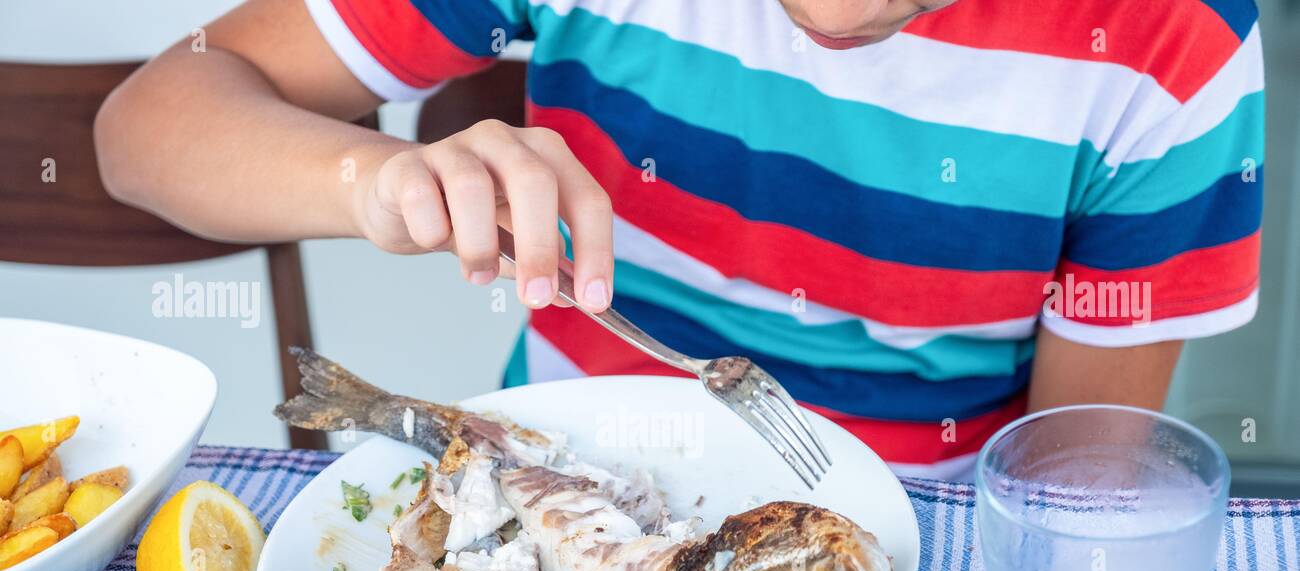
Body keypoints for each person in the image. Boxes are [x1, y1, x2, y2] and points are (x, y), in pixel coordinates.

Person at [95, 0, 1264, 479]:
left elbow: (1076, 480)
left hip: (924, 567)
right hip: (553, 492)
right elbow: (149, 125)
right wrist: (379, 176)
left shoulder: (1174, 42)